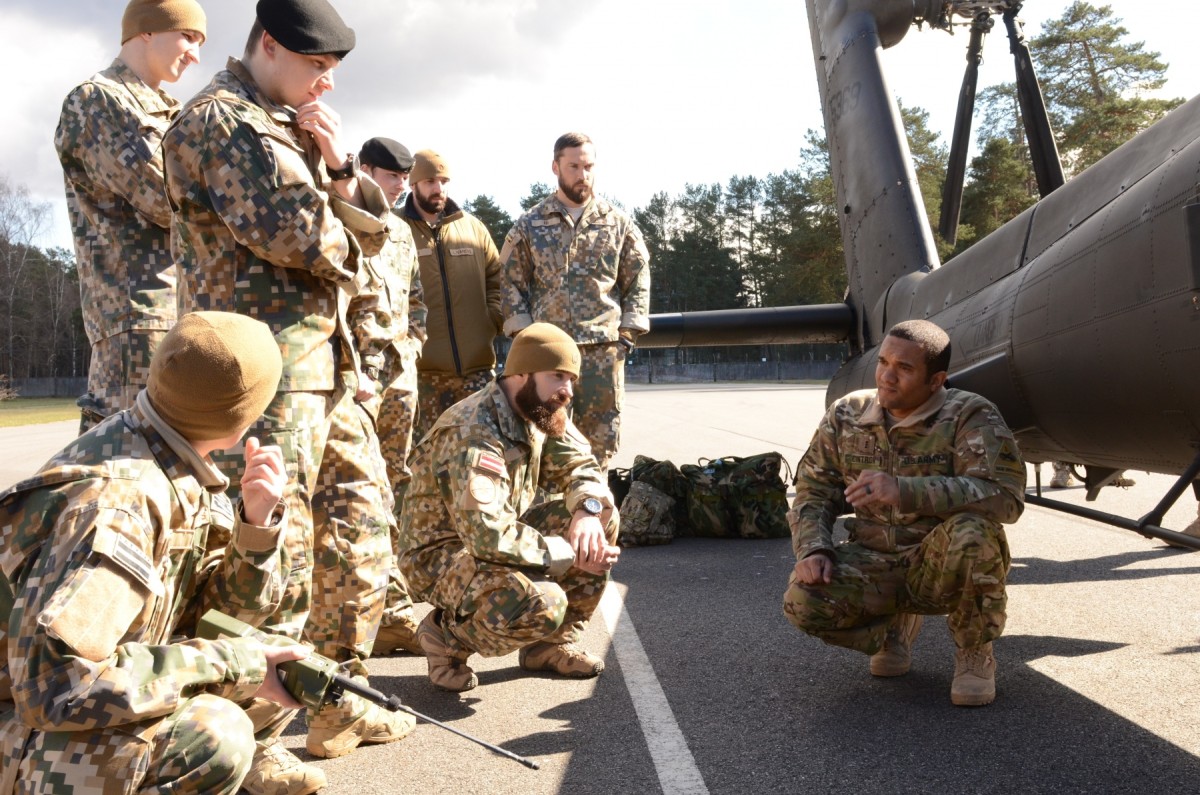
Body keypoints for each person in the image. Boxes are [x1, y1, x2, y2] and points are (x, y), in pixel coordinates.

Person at [163, 0, 399, 789]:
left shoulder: (289, 123)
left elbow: (361, 228)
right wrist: (347, 200)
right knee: (271, 556)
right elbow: (307, 238)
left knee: (358, 539)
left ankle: (335, 697)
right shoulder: (220, 122)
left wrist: (338, 176)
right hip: (260, 379)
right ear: (268, 45)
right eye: (316, 66)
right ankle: (249, 727)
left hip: (324, 370)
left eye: (333, 70)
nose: (326, 83)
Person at [0, 311, 305, 794]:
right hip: (22, 721)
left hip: (46, 708)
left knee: (279, 662)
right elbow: (55, 688)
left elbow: (219, 617)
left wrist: (255, 527)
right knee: (213, 735)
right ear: (244, 417)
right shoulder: (118, 508)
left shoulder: (163, 451)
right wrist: (235, 664)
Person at [782, 319, 1026, 707]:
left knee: (974, 534)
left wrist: (906, 491)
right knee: (803, 601)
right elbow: (814, 490)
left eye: (904, 368)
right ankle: (889, 628)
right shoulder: (847, 414)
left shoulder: (970, 415)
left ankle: (974, 651)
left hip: (936, 564)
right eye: (883, 362)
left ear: (936, 380)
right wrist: (813, 549)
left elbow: (1005, 498)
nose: (886, 377)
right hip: (873, 558)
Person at [397, 323, 621, 693]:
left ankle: (549, 646)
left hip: (490, 538)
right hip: (441, 555)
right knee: (543, 602)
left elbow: (581, 465)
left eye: (571, 379)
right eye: (557, 376)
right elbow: (485, 534)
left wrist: (588, 511)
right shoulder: (474, 431)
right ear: (521, 373)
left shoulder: (539, 408)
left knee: (602, 519)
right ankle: (446, 637)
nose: (567, 390)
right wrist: (568, 553)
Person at [54, 0, 207, 434]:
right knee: (123, 457)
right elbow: (165, 198)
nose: (196, 54)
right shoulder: (97, 100)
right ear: (146, 31)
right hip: (136, 316)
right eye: (188, 37)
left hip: (178, 310)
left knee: (172, 459)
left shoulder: (169, 110)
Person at [500, 132, 651, 472]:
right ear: (556, 167)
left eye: (588, 166)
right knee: (544, 434)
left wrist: (627, 334)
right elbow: (509, 282)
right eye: (573, 166)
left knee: (601, 438)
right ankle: (548, 513)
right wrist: (525, 340)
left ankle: (594, 511)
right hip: (549, 353)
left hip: (602, 351)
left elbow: (638, 277)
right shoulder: (530, 224)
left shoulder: (618, 223)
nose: (582, 175)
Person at [345, 136, 428, 658]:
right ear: (364, 170)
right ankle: (352, 610)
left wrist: (414, 346)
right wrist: (356, 366)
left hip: (400, 376)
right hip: (358, 377)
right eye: (392, 176)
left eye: (404, 178)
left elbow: (416, 299)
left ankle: (391, 610)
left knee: (395, 481)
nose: (400, 187)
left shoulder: (399, 232)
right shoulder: (342, 220)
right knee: (357, 492)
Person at [400, 149, 504, 442]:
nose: (439, 188)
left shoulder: (472, 229)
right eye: (431, 180)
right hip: (424, 376)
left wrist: (492, 318)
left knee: (480, 455)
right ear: (413, 183)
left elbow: (497, 279)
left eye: (444, 180)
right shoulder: (397, 230)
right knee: (427, 458)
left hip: (478, 373)